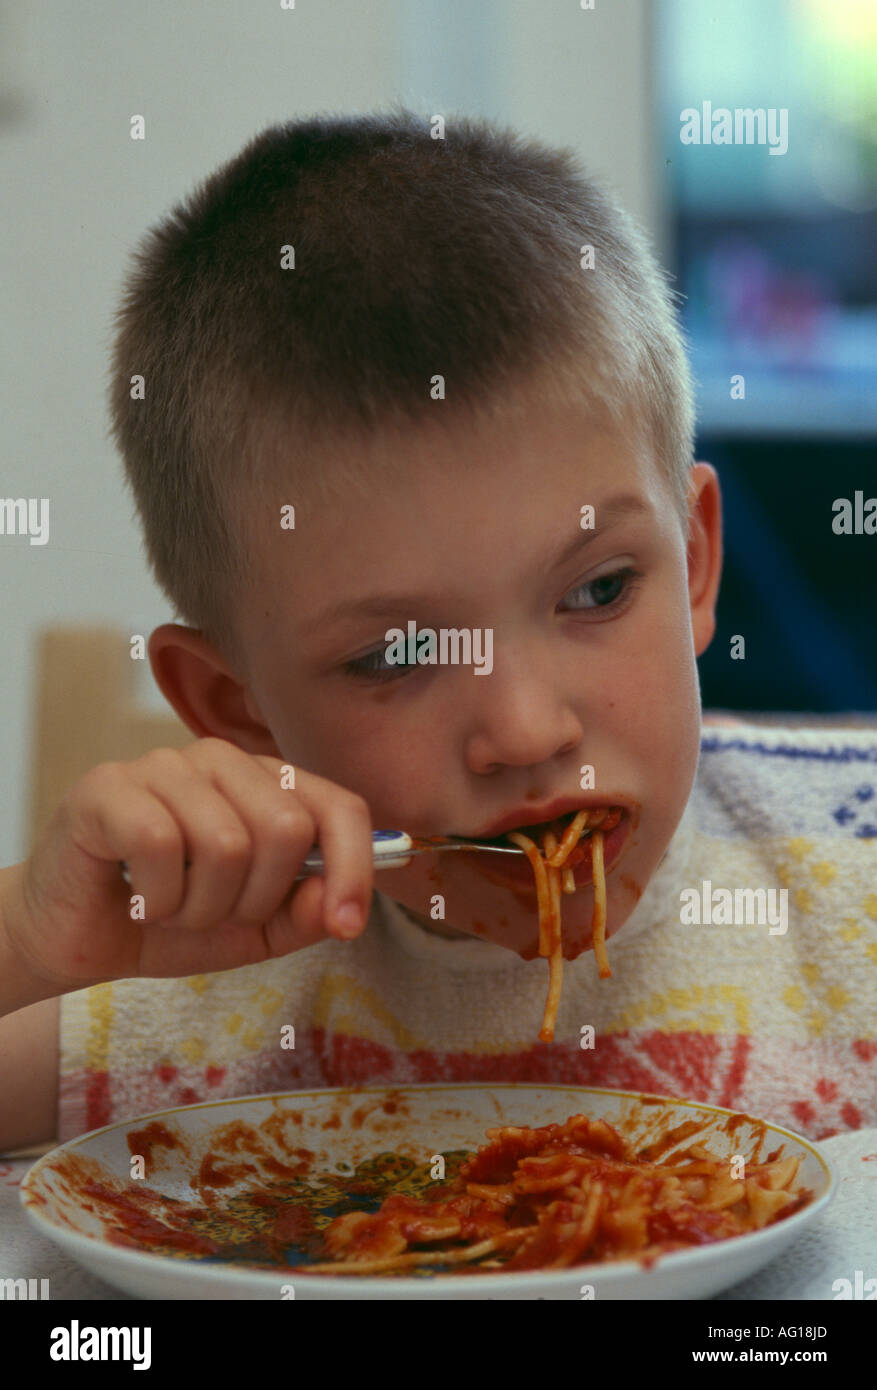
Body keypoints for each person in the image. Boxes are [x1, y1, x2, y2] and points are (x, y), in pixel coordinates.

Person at [1, 108, 874, 1155]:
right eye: (395, 654)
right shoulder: (178, 984)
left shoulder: (847, 880)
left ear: (691, 562)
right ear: (239, 711)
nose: (522, 728)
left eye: (596, 591)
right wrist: (26, 935)